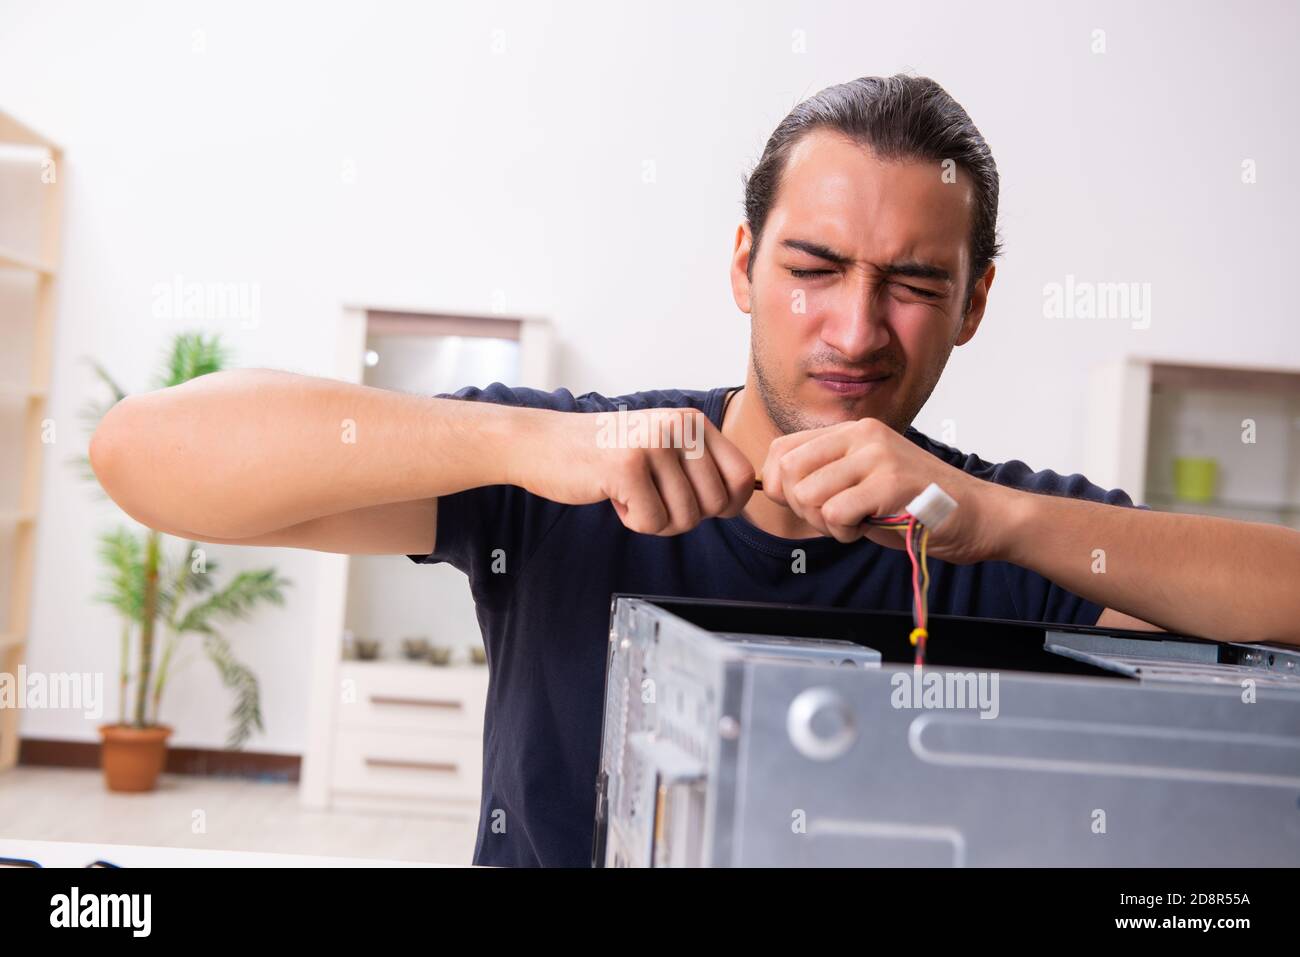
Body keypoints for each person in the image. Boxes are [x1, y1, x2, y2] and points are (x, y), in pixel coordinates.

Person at [91, 75, 1300, 867]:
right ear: (743, 265)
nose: (853, 330)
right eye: (813, 268)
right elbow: (142, 456)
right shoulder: (558, 471)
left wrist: (1001, 520)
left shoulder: (996, 532)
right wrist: (532, 445)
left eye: (914, 284)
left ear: (973, 303)